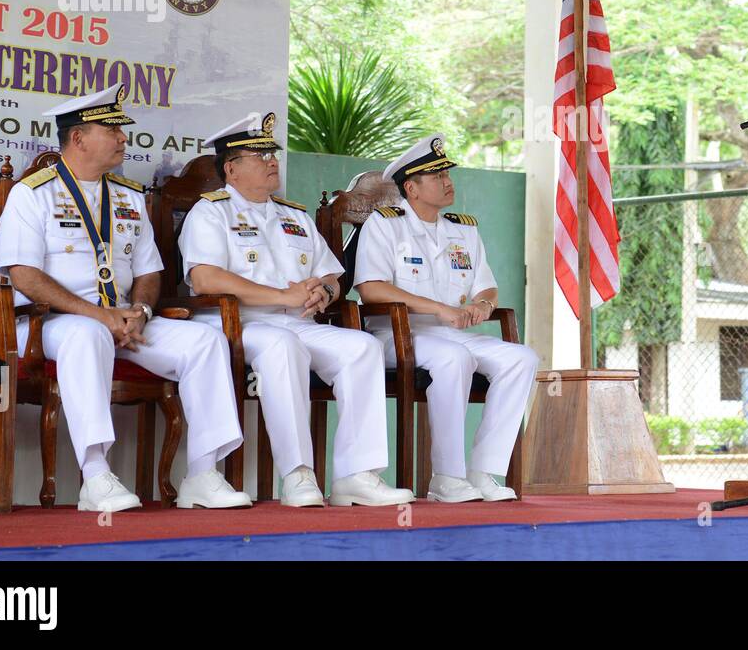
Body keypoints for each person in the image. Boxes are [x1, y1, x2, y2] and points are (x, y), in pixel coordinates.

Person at [0, 84, 249, 512]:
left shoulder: (129, 195)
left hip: (127, 322)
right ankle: (95, 477)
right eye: (111, 131)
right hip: (52, 323)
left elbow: (149, 271)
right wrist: (98, 315)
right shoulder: (32, 193)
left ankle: (203, 474)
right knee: (86, 335)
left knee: (204, 341)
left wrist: (142, 311)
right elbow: (23, 275)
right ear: (78, 139)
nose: (122, 139)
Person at [178, 112, 413, 507]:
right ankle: (298, 474)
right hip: (239, 325)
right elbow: (205, 279)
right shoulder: (211, 212)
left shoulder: (295, 216)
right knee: (281, 347)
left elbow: (332, 277)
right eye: (260, 155)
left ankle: (357, 474)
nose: (272, 161)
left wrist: (324, 292)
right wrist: (281, 296)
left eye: (272, 153)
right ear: (231, 168)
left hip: (299, 321)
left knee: (362, 348)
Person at [354, 135, 538, 503]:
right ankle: (446, 476)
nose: (448, 181)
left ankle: (484, 471)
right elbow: (371, 289)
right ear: (412, 188)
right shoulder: (385, 225)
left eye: (447, 174)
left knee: (522, 359)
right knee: (454, 359)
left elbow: (486, 288)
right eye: (437, 176)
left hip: (453, 334)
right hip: (398, 334)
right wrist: (439, 308)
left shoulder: (463, 229)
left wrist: (483, 307)